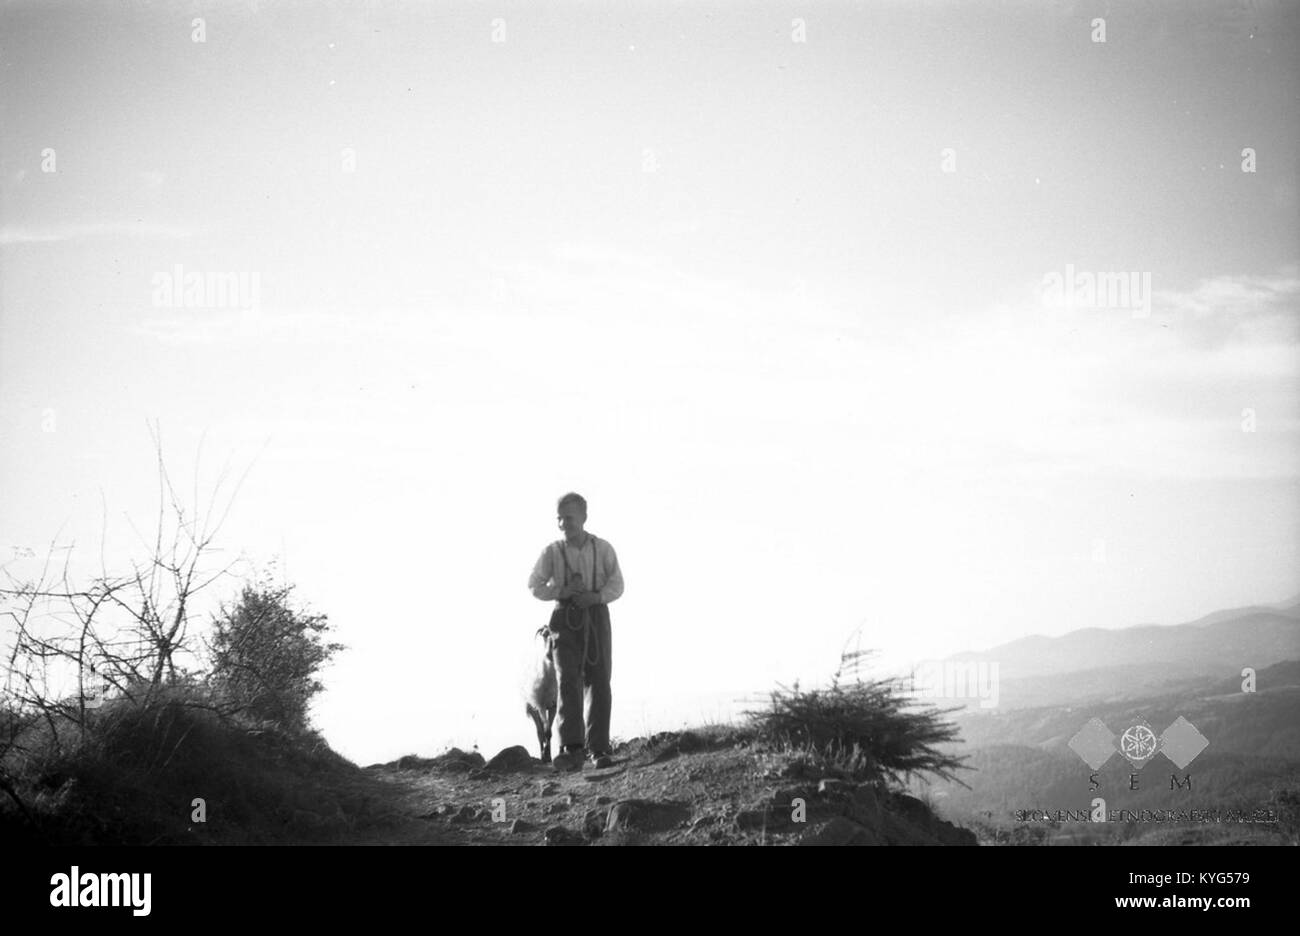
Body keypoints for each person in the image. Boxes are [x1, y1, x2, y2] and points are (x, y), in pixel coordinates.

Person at [528, 492, 624, 770]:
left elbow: (617, 583)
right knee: (567, 679)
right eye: (559, 518)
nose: (562, 523)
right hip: (563, 618)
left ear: (583, 517)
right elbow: (534, 584)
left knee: (599, 678)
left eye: (568, 517)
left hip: (596, 617)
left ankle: (599, 749)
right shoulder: (551, 552)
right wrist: (562, 591)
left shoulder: (603, 549)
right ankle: (571, 749)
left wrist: (595, 597)